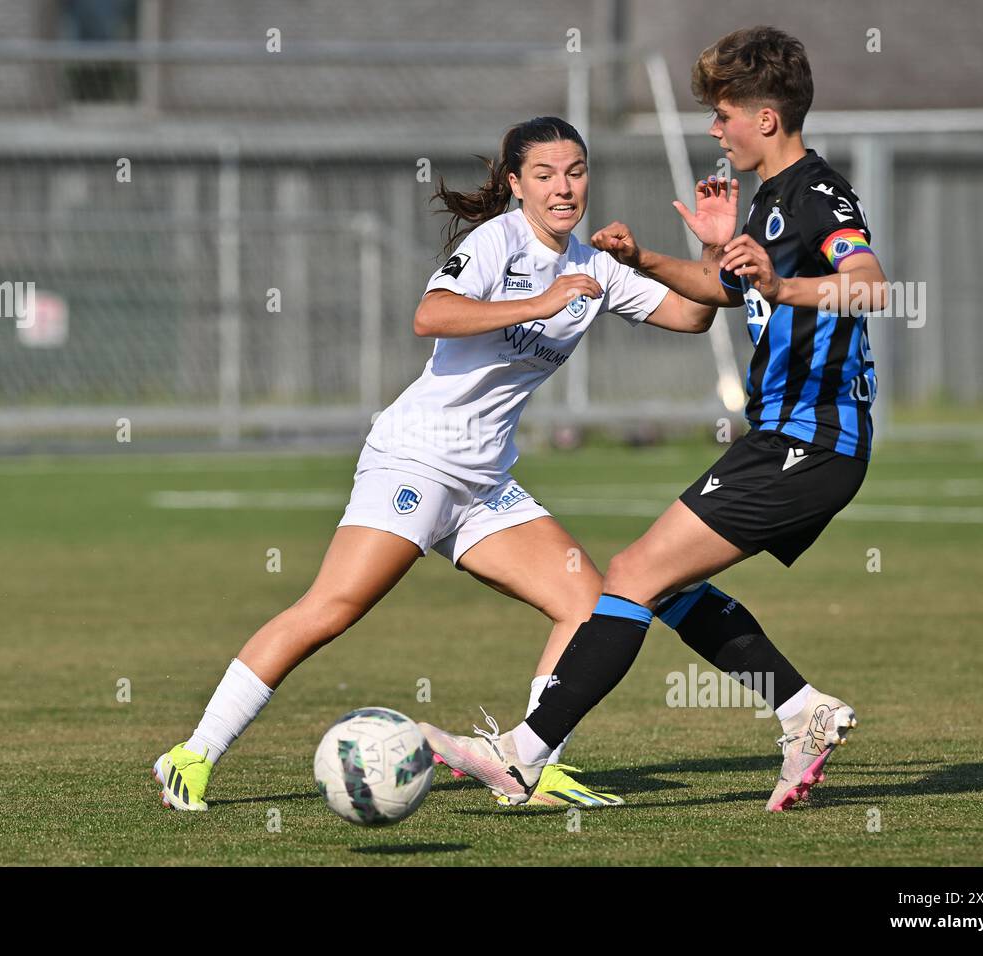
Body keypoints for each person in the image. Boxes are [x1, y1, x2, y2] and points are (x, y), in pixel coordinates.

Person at [152, 116, 725, 811]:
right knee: (332, 608)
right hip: (416, 461)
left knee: (587, 606)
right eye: (543, 174)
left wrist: (711, 246)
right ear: (516, 184)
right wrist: (538, 301)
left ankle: (529, 768)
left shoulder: (598, 264)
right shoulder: (498, 242)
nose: (563, 186)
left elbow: (694, 317)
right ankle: (192, 754)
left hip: (485, 482)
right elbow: (431, 314)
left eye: (575, 171)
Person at [422, 26, 889, 813]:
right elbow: (714, 291)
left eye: (723, 114)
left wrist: (779, 287)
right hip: (786, 439)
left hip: (813, 436)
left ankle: (526, 753)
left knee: (633, 577)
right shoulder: (771, 197)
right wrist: (655, 261)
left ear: (765, 118)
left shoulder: (817, 191)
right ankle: (803, 712)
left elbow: (870, 286)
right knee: (668, 587)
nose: (715, 128)